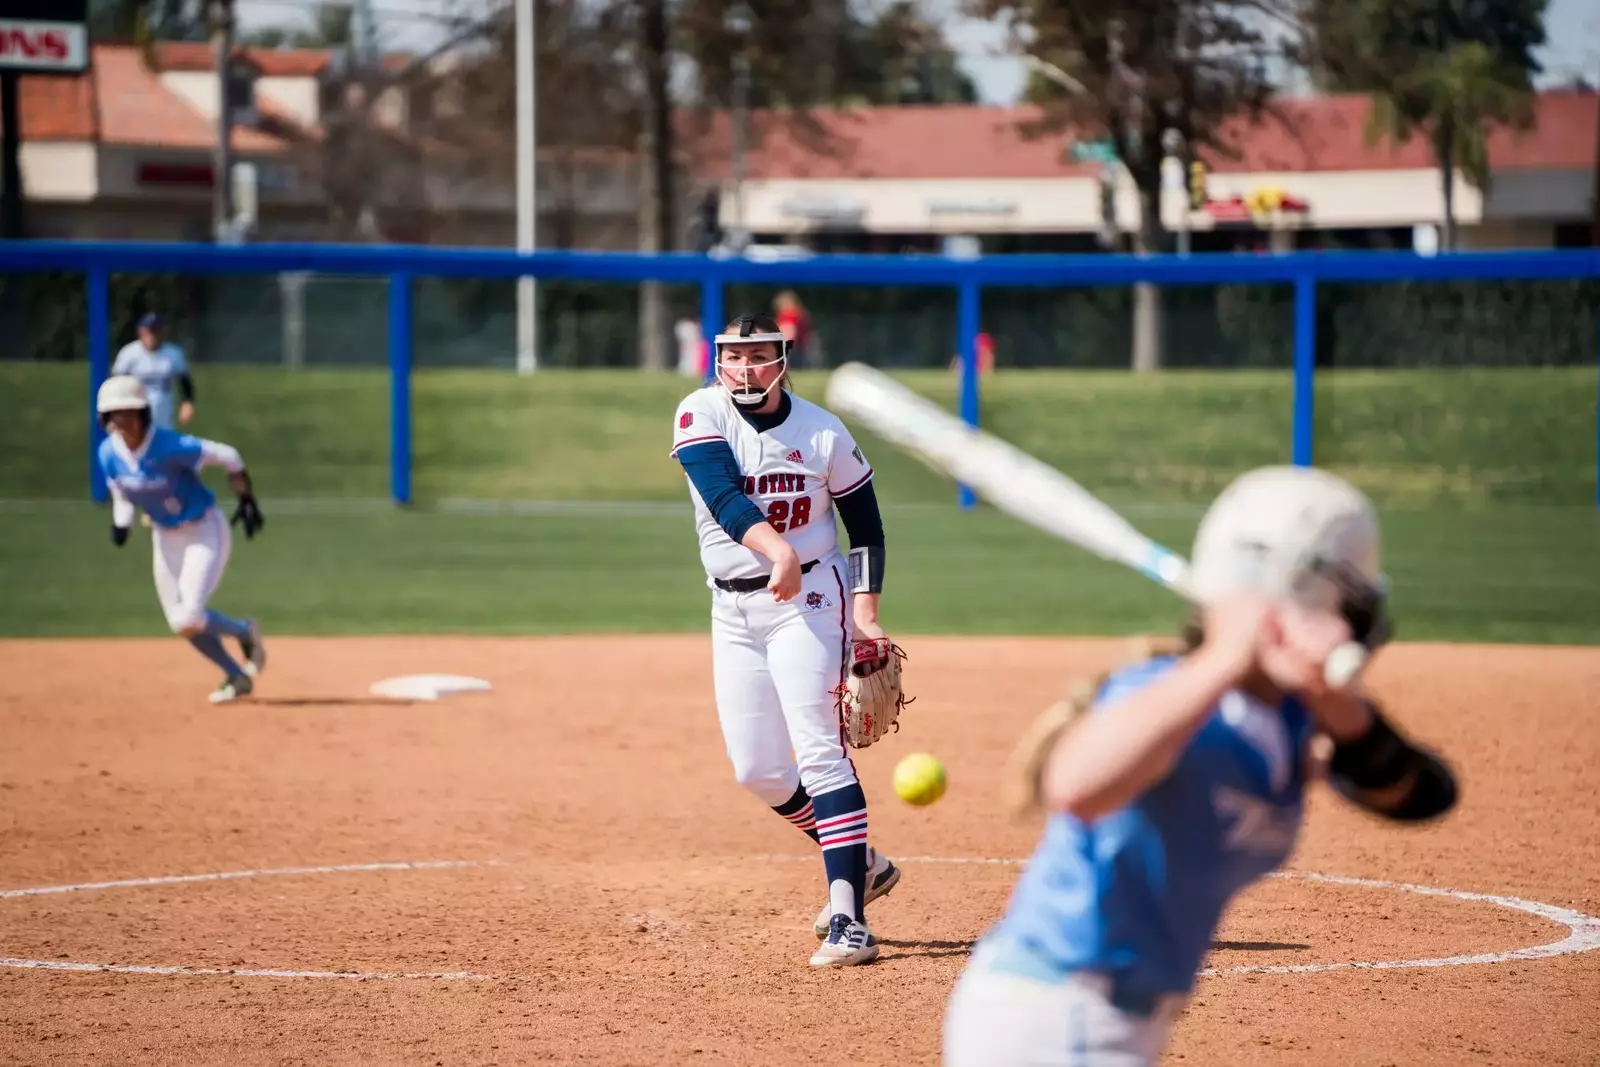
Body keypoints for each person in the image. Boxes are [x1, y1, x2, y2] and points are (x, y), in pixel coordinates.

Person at [943, 466, 1457, 1066]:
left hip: (1117, 1022)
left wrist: (1344, 710)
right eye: (1348, 597)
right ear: (1311, 592)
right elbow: (1076, 786)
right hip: (1054, 1019)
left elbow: (1419, 793)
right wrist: (1224, 658)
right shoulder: (1169, 698)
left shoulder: (1291, 723)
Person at [670, 313, 902, 968]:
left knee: (820, 749)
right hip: (733, 604)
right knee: (761, 771)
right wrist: (776, 549)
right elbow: (722, 497)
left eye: (759, 355)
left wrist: (866, 614)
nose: (745, 368)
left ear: (783, 358)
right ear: (718, 362)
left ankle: (850, 920)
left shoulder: (823, 432)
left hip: (812, 599)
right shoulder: (699, 414)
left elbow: (867, 530)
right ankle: (865, 861)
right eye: (734, 356)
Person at [96, 375, 267, 705]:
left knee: (190, 616)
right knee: (182, 623)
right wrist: (122, 523)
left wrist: (245, 496)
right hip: (165, 537)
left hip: (203, 530)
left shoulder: (168, 445)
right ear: (105, 419)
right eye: (114, 414)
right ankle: (236, 674)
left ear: (143, 413)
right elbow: (121, 492)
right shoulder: (108, 454)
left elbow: (229, 455)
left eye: (128, 412)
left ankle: (244, 631)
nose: (122, 420)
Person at [113, 312, 194, 431]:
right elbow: (116, 382)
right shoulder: (129, 354)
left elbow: (185, 381)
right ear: (140, 332)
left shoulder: (173, 354)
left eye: (155, 331)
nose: (152, 336)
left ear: (162, 332)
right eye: (149, 332)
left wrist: (187, 403)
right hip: (137, 409)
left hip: (164, 412)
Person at [772, 291, 813, 370]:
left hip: (792, 346)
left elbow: (790, 330)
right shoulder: (801, 314)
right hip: (800, 345)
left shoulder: (790, 314)